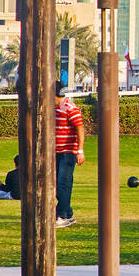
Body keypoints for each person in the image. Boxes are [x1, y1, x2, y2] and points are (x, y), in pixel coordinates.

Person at [54, 82, 85, 227]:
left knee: (63, 184)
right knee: (56, 185)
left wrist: (80, 150)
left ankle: (62, 215)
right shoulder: (52, 108)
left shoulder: (70, 108)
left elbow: (80, 129)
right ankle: (68, 213)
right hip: (55, 152)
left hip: (68, 152)